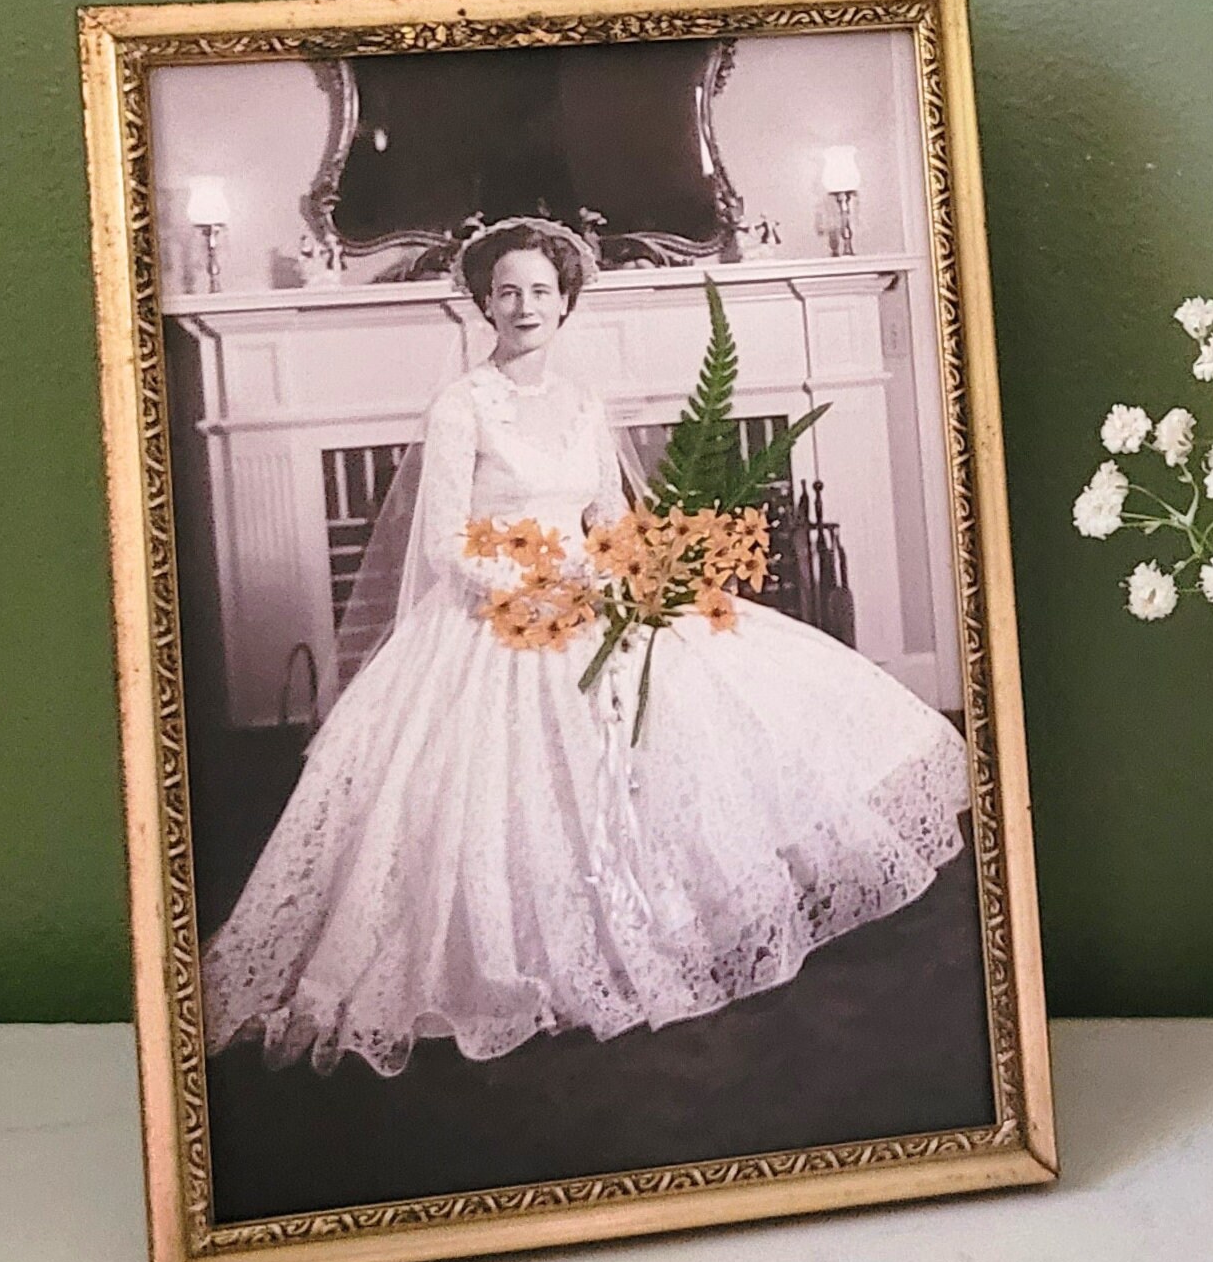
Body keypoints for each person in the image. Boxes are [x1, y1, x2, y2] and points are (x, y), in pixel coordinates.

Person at [202, 217, 969, 1075]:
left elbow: (606, 514)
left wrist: (642, 573)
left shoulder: (583, 402)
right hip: (500, 618)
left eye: (540, 291)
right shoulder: (462, 404)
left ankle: (663, 918)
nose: (524, 306)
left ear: (566, 304)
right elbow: (444, 543)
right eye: (507, 293)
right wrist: (537, 585)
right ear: (484, 306)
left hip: (597, 599)